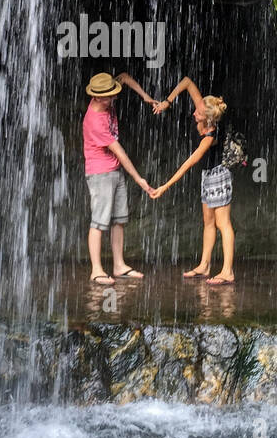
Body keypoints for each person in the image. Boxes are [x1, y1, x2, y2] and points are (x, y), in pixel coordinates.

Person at [150, 76, 236, 285]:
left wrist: (165, 186)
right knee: (207, 222)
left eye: (197, 113)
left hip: (219, 175)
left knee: (222, 223)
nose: (193, 112)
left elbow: (188, 163)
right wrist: (167, 102)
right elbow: (187, 82)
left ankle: (227, 271)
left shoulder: (210, 136)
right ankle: (204, 265)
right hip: (207, 175)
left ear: (206, 119)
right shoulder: (204, 105)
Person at [83, 71, 157, 285]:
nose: (113, 99)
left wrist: (144, 96)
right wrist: (139, 179)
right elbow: (120, 152)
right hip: (100, 174)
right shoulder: (95, 121)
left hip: (114, 171)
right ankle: (96, 270)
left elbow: (124, 77)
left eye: (113, 94)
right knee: (98, 222)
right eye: (108, 97)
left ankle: (119, 266)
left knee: (119, 220)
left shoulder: (106, 91)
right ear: (96, 97)